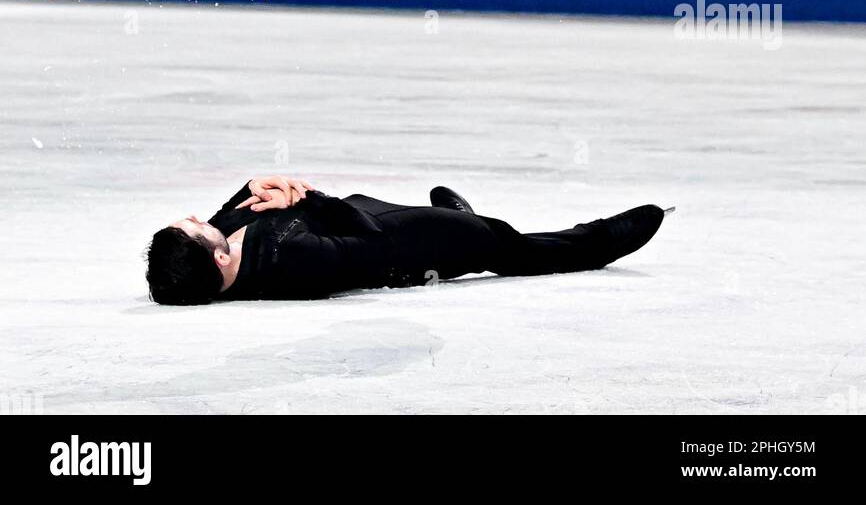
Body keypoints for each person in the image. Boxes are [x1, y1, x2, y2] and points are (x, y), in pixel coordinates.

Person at [145, 172, 668, 305]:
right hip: (427, 242)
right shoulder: (291, 260)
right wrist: (307, 199)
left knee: (490, 233)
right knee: (522, 250)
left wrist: (250, 188)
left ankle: (471, 221)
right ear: (215, 255)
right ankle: (608, 238)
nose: (198, 215)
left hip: (395, 216)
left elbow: (225, 219)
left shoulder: (229, 258)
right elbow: (373, 246)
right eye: (191, 225)